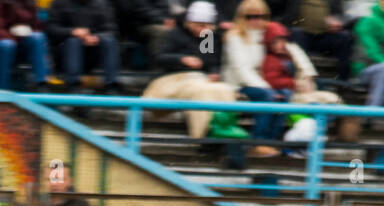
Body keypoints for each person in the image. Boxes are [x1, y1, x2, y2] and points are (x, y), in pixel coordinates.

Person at [144, 2, 241, 140]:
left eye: (207, 25)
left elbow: (210, 62)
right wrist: (182, 59)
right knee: (202, 91)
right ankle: (203, 136)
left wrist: (213, 72)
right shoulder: (175, 34)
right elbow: (160, 58)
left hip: (199, 79)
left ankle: (224, 128)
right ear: (189, 22)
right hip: (172, 79)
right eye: (199, 25)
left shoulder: (207, 38)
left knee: (224, 89)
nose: (203, 28)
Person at [222, 0, 282, 156]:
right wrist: (266, 87)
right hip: (237, 84)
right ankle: (258, 142)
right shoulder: (234, 37)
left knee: (284, 95)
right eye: (252, 16)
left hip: (257, 82)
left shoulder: (264, 37)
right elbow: (241, 69)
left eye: (261, 16)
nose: (257, 20)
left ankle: (271, 142)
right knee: (268, 96)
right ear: (242, 17)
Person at [45, 0, 122, 91]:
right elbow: (51, 29)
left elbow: (112, 30)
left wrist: (96, 37)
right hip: (65, 53)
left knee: (109, 41)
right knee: (73, 41)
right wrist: (72, 32)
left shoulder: (102, 4)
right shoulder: (60, 3)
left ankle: (111, 84)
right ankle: (74, 85)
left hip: (94, 52)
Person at [270, 0, 354, 82]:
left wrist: (337, 22)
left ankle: (342, 81)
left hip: (325, 37)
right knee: (296, 32)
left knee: (345, 36)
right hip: (301, 35)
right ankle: (302, 78)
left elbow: (341, 16)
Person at [0, 0, 49, 90]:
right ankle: (3, 90)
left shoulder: (30, 3)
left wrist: (27, 33)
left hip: (19, 47)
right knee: (7, 45)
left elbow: (37, 26)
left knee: (37, 37)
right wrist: (16, 36)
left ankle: (41, 83)